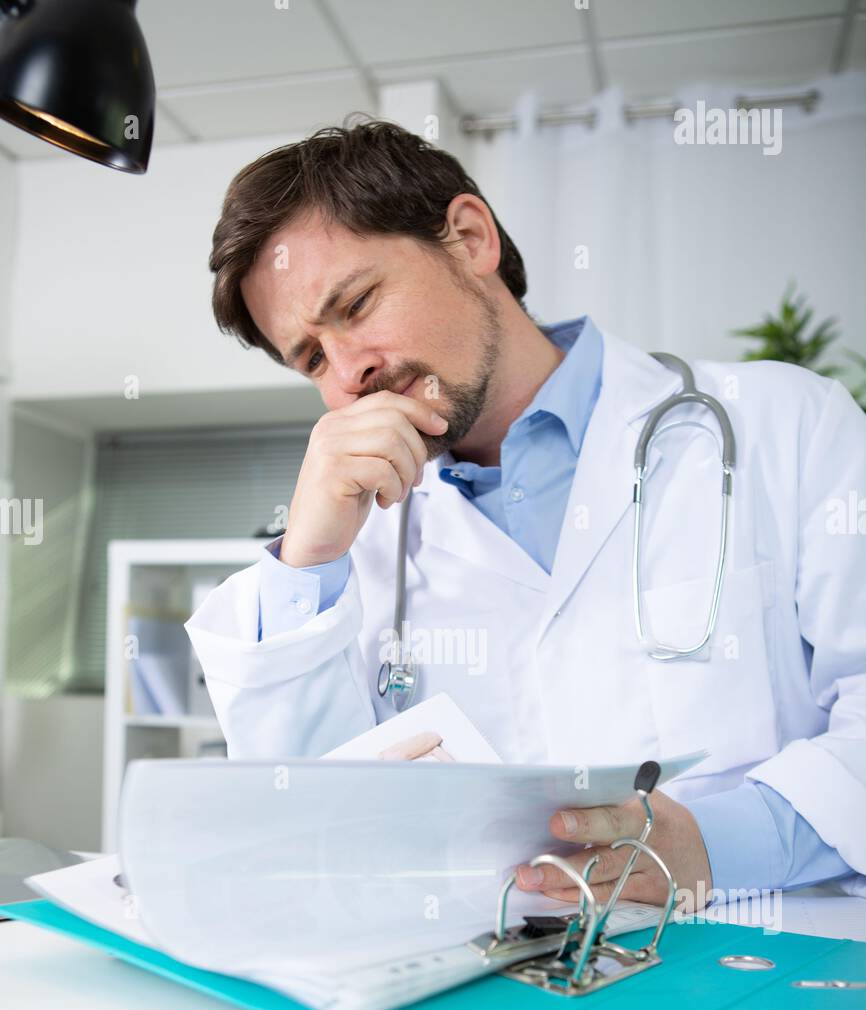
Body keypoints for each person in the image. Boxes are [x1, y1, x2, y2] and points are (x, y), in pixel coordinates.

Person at [186, 118, 866, 910]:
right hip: (488, 1000)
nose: (349, 370)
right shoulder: (352, 554)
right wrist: (306, 562)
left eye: (358, 303)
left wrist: (714, 844)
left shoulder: (783, 423)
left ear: (470, 238)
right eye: (310, 358)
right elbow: (309, 832)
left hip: (761, 978)